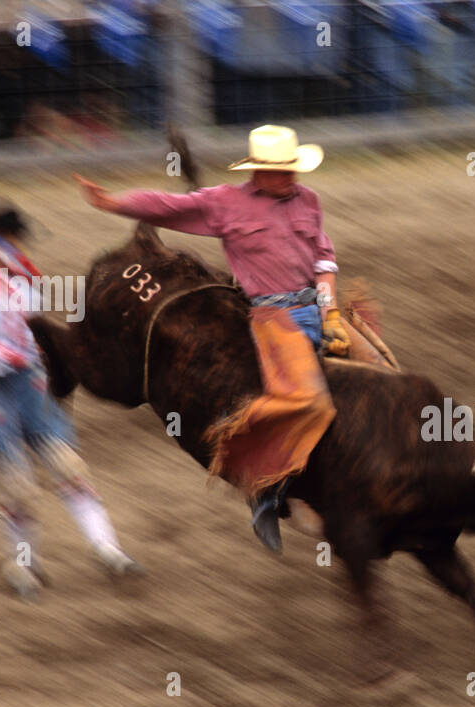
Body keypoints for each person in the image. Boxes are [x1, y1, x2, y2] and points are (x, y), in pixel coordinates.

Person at [73, 125, 351, 554]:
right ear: (258, 172)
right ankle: (261, 481)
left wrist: (330, 310)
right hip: (274, 317)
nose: (292, 176)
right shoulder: (225, 202)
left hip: (317, 306)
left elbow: (323, 258)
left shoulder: (308, 201)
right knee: (309, 399)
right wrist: (111, 202)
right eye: (282, 170)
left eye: (293, 168)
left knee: (378, 368)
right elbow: (168, 206)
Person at [0, 206, 141, 598]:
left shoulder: (20, 270)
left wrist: (29, 354)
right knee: (17, 484)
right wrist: (3, 355)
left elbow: (30, 320)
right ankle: (22, 566)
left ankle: (108, 550)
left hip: (25, 381)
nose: (19, 246)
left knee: (69, 465)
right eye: (14, 239)